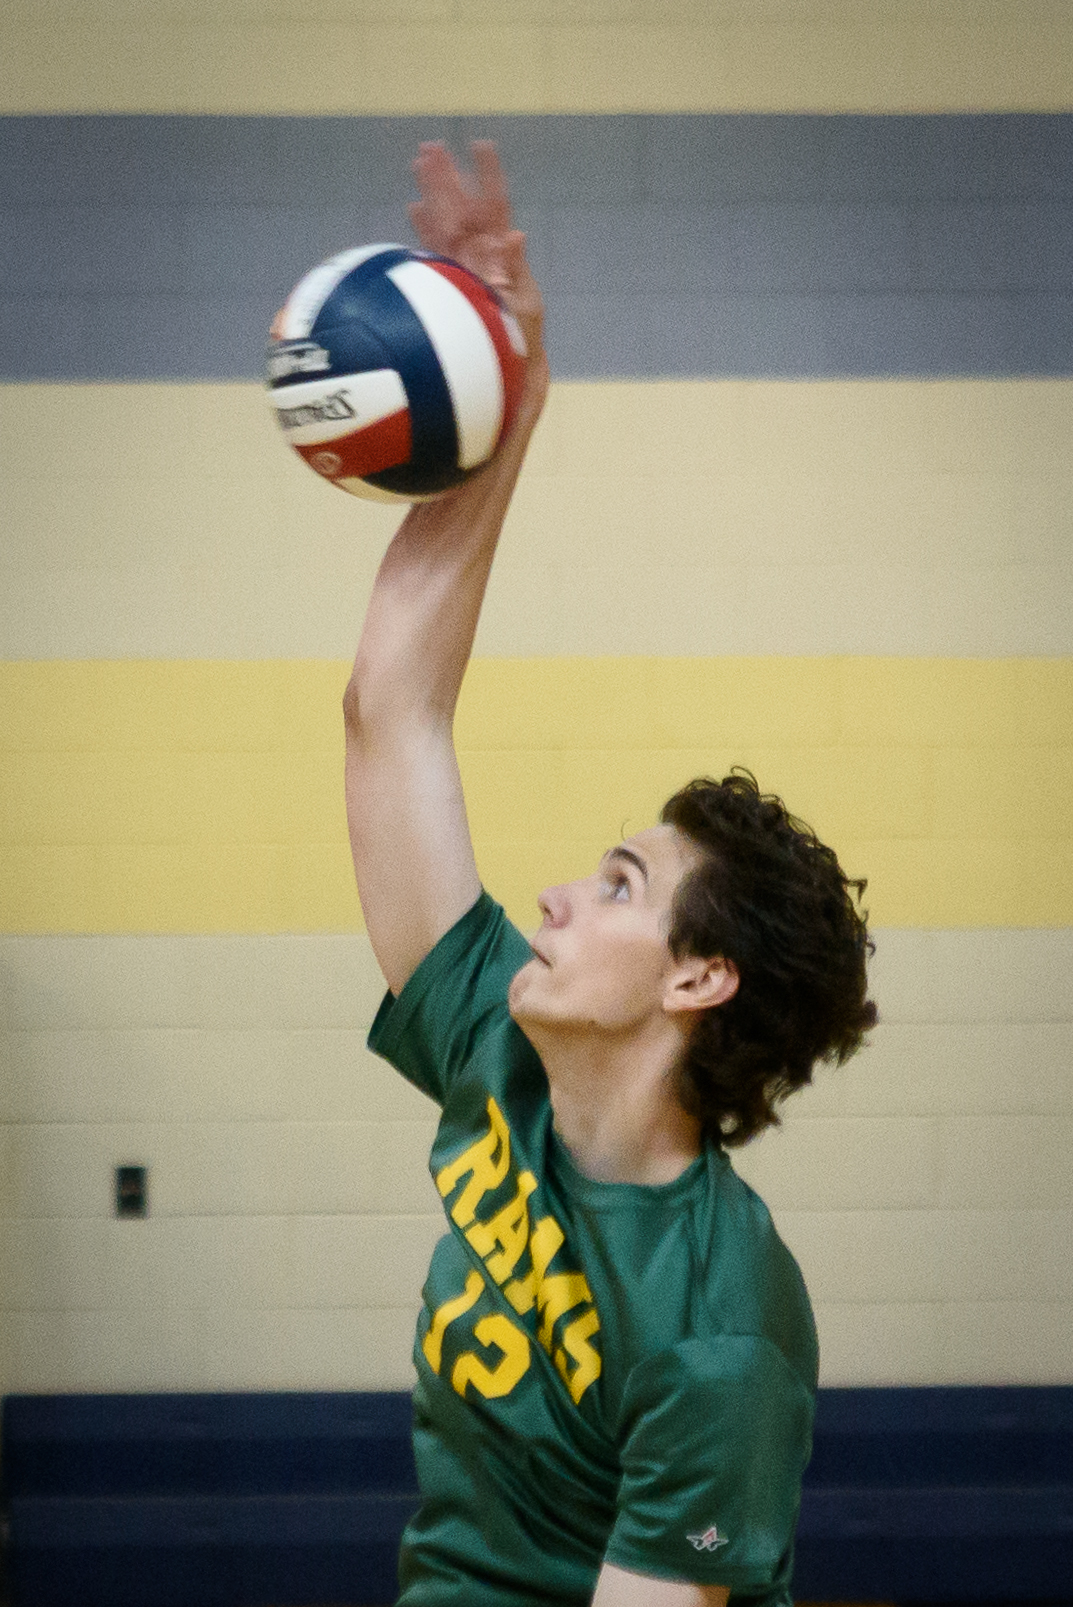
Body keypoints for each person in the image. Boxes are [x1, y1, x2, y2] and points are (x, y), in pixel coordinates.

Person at [343, 141, 876, 1607]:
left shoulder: (720, 1327)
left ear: (699, 979)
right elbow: (391, 710)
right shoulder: (495, 1058)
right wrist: (505, 405)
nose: (561, 901)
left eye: (623, 887)